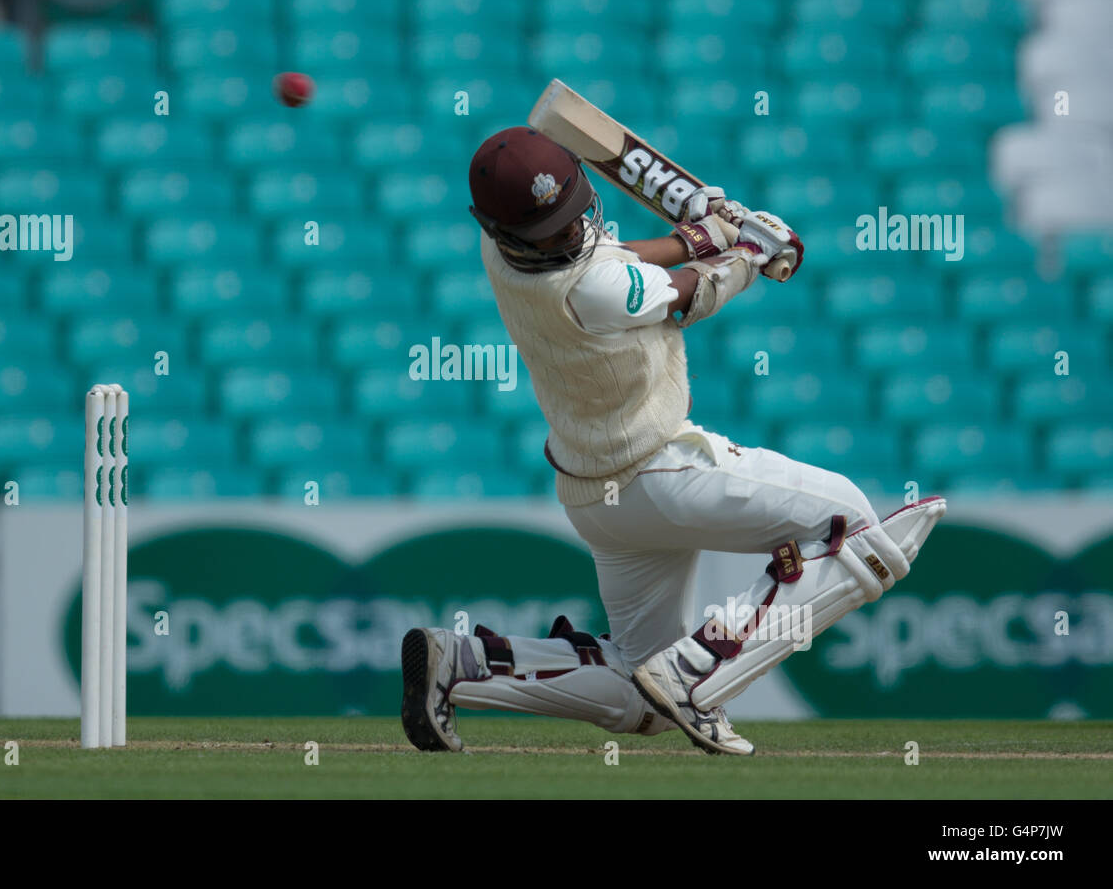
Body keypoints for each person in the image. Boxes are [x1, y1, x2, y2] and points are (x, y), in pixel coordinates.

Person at [400, 127, 945, 756]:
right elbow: (694, 293)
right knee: (848, 518)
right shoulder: (593, 289)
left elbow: (615, 256)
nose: (566, 234)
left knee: (640, 689)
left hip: (593, 497)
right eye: (549, 229)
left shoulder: (505, 247)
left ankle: (465, 662)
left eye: (568, 218)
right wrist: (745, 253)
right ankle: (700, 672)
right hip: (661, 471)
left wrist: (701, 235)